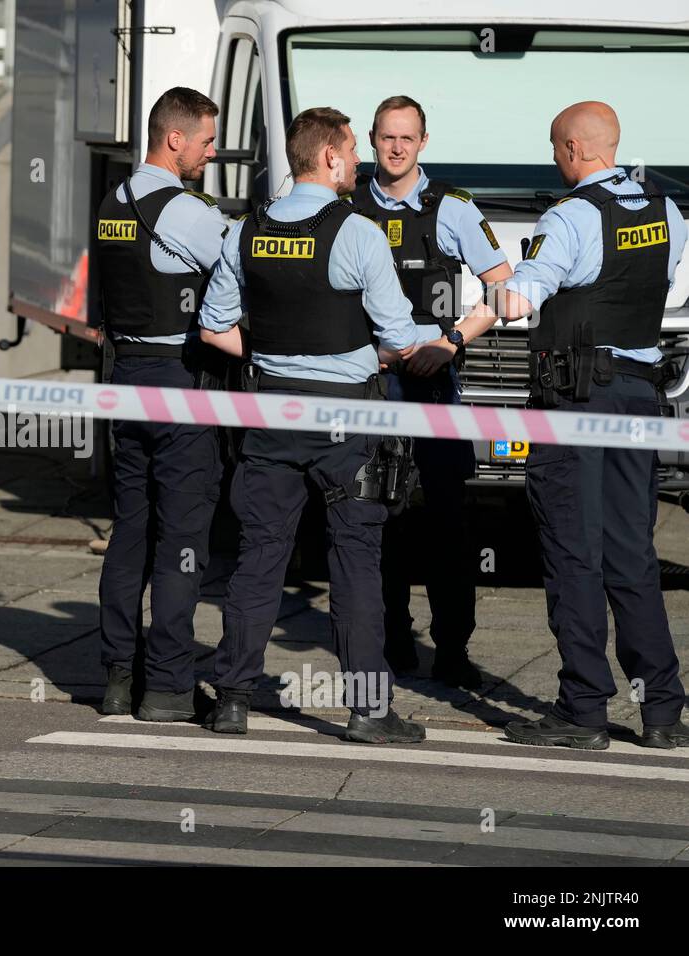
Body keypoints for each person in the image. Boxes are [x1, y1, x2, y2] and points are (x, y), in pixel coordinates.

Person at [408, 101, 688, 749]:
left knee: (572, 551)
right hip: (639, 400)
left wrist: (454, 337)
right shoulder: (665, 210)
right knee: (633, 554)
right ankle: (661, 711)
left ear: (571, 149)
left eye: (555, 149)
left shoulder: (570, 218)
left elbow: (518, 297)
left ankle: (583, 709)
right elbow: (663, 285)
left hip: (576, 402)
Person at [199, 107, 450, 743]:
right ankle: (368, 711)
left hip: (270, 412)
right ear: (332, 158)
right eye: (352, 153)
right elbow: (396, 337)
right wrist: (435, 338)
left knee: (259, 558)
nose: (362, 162)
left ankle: (231, 699)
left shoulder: (245, 231)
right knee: (355, 561)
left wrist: (269, 359)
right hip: (345, 419)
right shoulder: (358, 231)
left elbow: (213, 326)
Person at [351, 95, 513, 687]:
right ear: (372, 140)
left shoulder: (454, 208)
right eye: (386, 138)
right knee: (380, 514)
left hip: (437, 378)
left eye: (407, 139)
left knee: (449, 518)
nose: (396, 148)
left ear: (424, 142)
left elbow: (504, 288)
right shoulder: (348, 206)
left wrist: (451, 340)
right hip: (373, 380)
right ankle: (392, 642)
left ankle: (452, 649)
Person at [95, 87, 231, 722]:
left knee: (129, 533)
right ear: (174, 139)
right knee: (182, 538)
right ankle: (170, 687)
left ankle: (118, 677)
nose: (211, 151)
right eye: (205, 140)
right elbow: (245, 266)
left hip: (125, 379)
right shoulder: (183, 210)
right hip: (179, 381)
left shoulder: (112, 201)